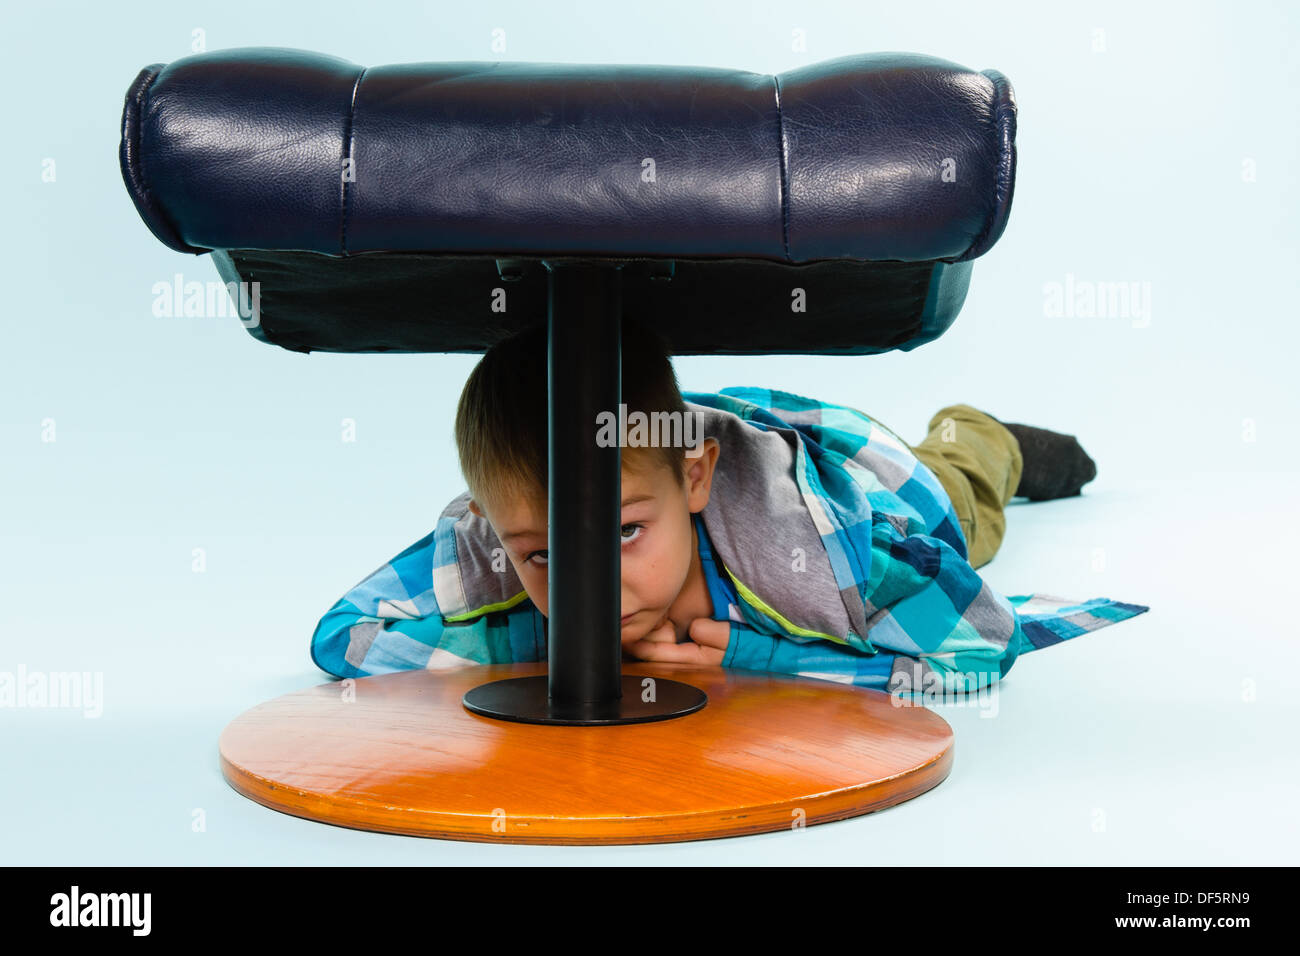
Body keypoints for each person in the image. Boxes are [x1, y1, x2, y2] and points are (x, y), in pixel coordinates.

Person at [309, 320, 1146, 697]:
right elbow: (345, 635)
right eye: (544, 558)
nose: (588, 587)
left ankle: (981, 435)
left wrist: (767, 660)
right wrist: (531, 643)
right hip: (660, 432)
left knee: (962, 501)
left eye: (626, 533)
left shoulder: (822, 552)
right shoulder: (517, 519)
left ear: (695, 481)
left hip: (875, 478)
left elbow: (976, 650)